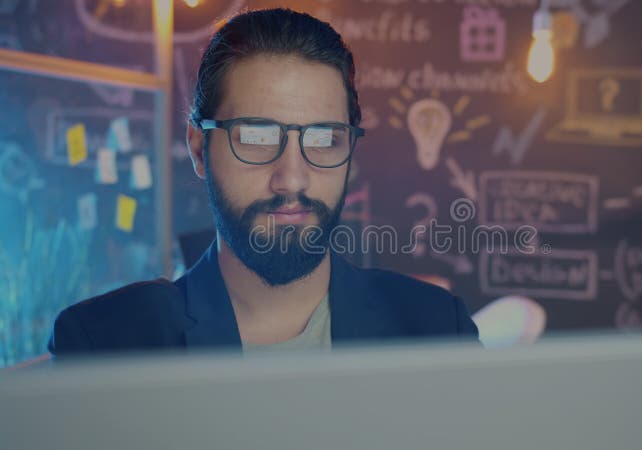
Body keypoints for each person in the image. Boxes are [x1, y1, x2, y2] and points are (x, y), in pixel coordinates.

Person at [48, 8, 478, 358]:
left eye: (325, 139)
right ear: (199, 149)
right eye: (256, 137)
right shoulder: (106, 343)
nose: (291, 177)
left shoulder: (437, 330)